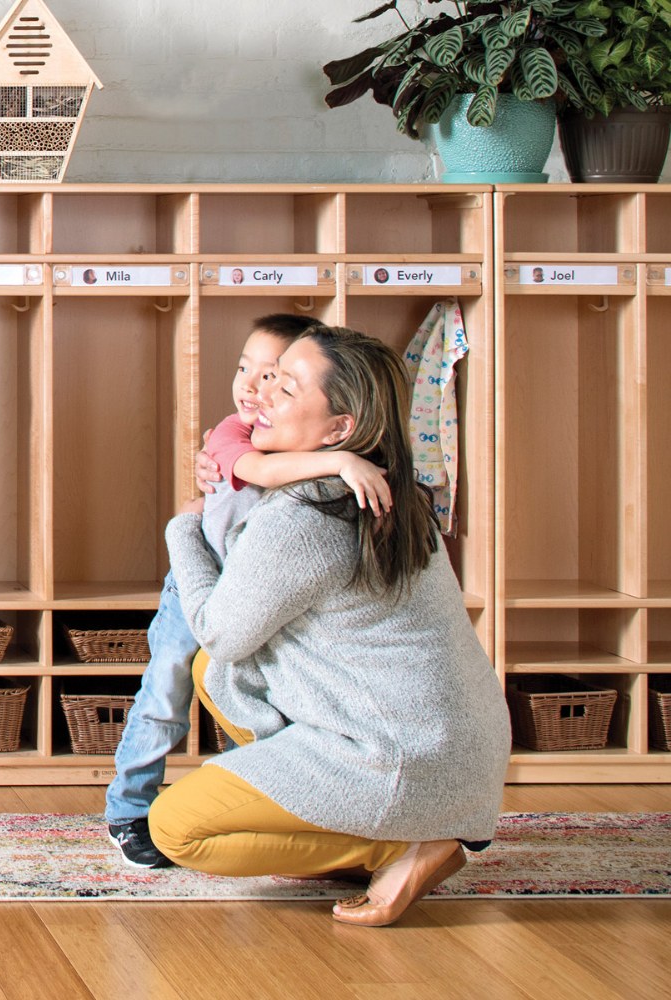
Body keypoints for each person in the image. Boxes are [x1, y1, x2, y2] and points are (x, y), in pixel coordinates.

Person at [148, 325, 511, 926]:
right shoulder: (387, 488)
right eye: (266, 376)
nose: (260, 392)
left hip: (396, 758)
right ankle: (362, 825)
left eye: (284, 388)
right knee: (219, 674)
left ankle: (404, 846)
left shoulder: (308, 511)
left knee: (176, 828)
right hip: (458, 747)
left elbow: (219, 628)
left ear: (339, 429)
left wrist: (182, 527)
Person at [105, 315, 393, 868]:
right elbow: (256, 471)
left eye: (275, 379)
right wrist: (339, 458)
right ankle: (129, 808)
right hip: (198, 585)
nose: (252, 386)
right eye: (245, 369)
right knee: (165, 693)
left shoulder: (292, 445)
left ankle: (257, 800)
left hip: (258, 598)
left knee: (251, 697)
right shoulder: (236, 433)